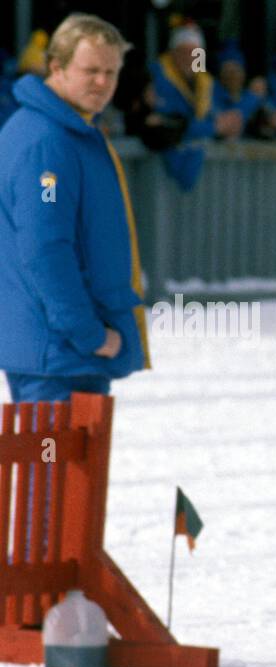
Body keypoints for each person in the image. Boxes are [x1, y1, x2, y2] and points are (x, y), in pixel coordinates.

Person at [0, 13, 148, 404]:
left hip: (64, 354)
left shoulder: (67, 131)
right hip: (57, 355)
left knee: (71, 465)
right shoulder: (47, 143)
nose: (103, 83)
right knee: (53, 464)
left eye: (111, 72)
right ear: (57, 67)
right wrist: (90, 333)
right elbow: (45, 249)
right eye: (91, 70)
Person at [148, 23, 243, 190]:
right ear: (173, 52)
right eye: (184, 52)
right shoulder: (158, 77)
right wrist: (215, 127)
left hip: (194, 178)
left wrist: (229, 123)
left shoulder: (205, 82)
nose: (190, 57)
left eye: (195, 53)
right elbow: (173, 125)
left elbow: (221, 116)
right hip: (159, 177)